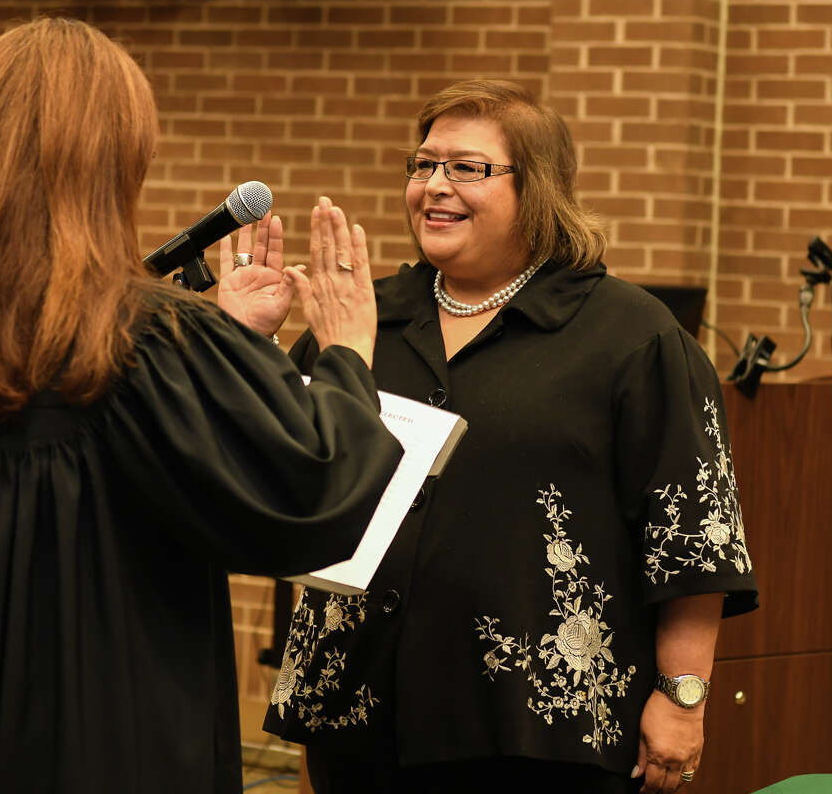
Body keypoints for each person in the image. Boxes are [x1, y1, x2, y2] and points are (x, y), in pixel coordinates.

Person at [0, 17, 402, 794]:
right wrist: (345, 352)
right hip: (83, 736)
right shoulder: (143, 344)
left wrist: (225, 346)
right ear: (108, 169)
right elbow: (311, 491)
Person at [263, 80, 759, 794]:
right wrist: (247, 344)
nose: (434, 186)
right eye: (423, 164)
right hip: (357, 714)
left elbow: (691, 537)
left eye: (467, 168)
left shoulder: (630, 336)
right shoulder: (359, 322)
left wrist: (683, 697)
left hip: (540, 729)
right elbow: (279, 482)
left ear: (540, 189)